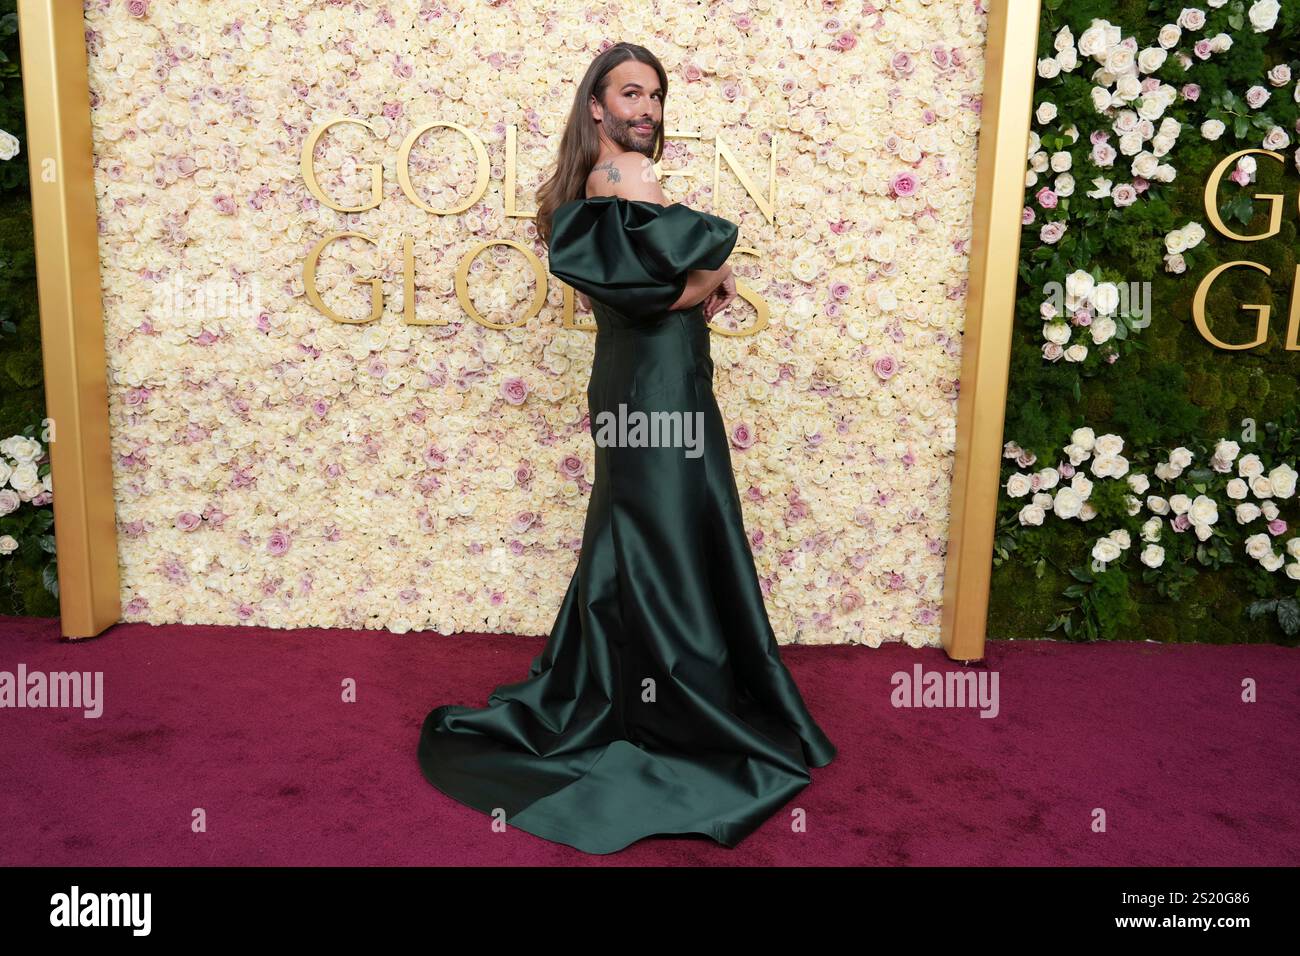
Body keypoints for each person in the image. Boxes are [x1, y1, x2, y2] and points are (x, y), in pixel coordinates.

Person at [417, 42, 836, 854]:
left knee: (638, 530)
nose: (645, 109)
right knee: (669, 532)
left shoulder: (592, 182)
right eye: (630, 94)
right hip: (658, 386)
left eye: (655, 96)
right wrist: (712, 280)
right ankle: (678, 708)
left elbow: (644, 291)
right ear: (597, 108)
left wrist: (697, 289)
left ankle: (619, 688)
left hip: (634, 381)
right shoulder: (631, 178)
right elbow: (663, 292)